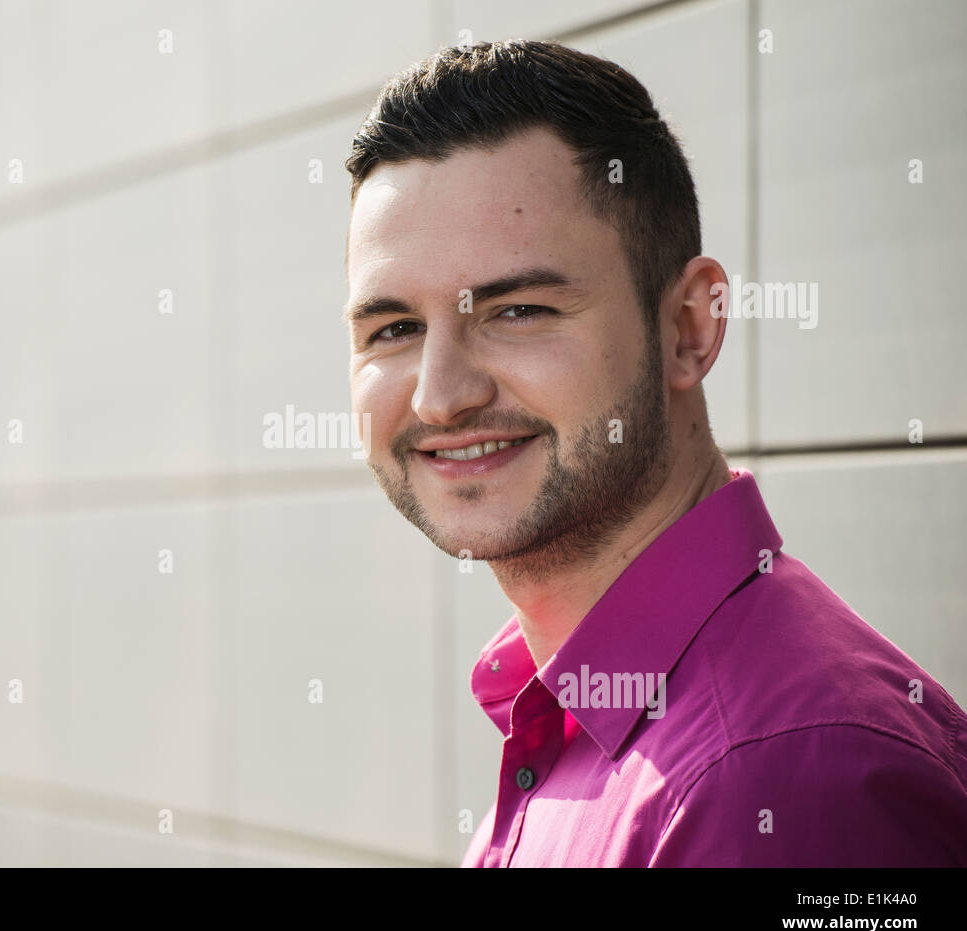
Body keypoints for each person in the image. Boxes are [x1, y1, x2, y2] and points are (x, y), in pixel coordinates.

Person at [341, 39, 967, 866]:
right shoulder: (570, 708)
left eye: (518, 310)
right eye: (395, 329)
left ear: (688, 328)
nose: (439, 395)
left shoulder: (780, 780)